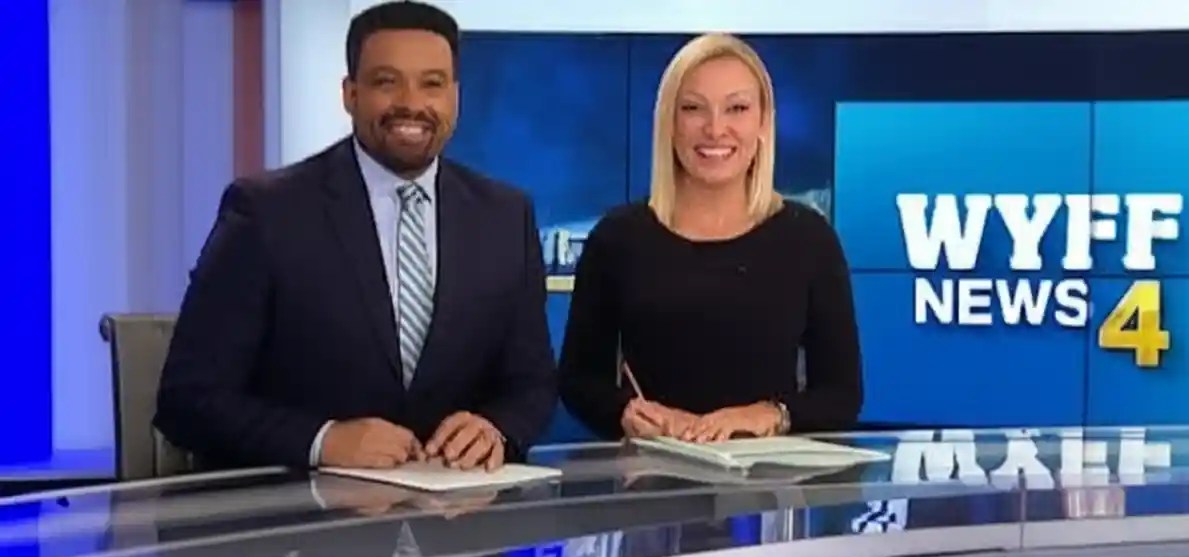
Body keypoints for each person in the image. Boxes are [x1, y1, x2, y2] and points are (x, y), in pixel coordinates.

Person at [155, 1, 556, 472]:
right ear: (350, 94)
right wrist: (322, 442)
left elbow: (532, 385)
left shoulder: (505, 216)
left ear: (455, 96)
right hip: (300, 508)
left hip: (454, 507)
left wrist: (497, 427)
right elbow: (187, 399)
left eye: (432, 83)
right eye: (387, 82)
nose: (411, 103)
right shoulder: (266, 212)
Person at [558, 33, 863, 443]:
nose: (715, 129)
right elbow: (578, 381)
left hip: (770, 477)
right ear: (669, 122)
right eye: (693, 108)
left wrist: (770, 415)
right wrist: (627, 413)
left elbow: (842, 395)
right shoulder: (618, 239)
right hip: (654, 473)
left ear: (763, 121)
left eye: (736, 108)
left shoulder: (808, 239)